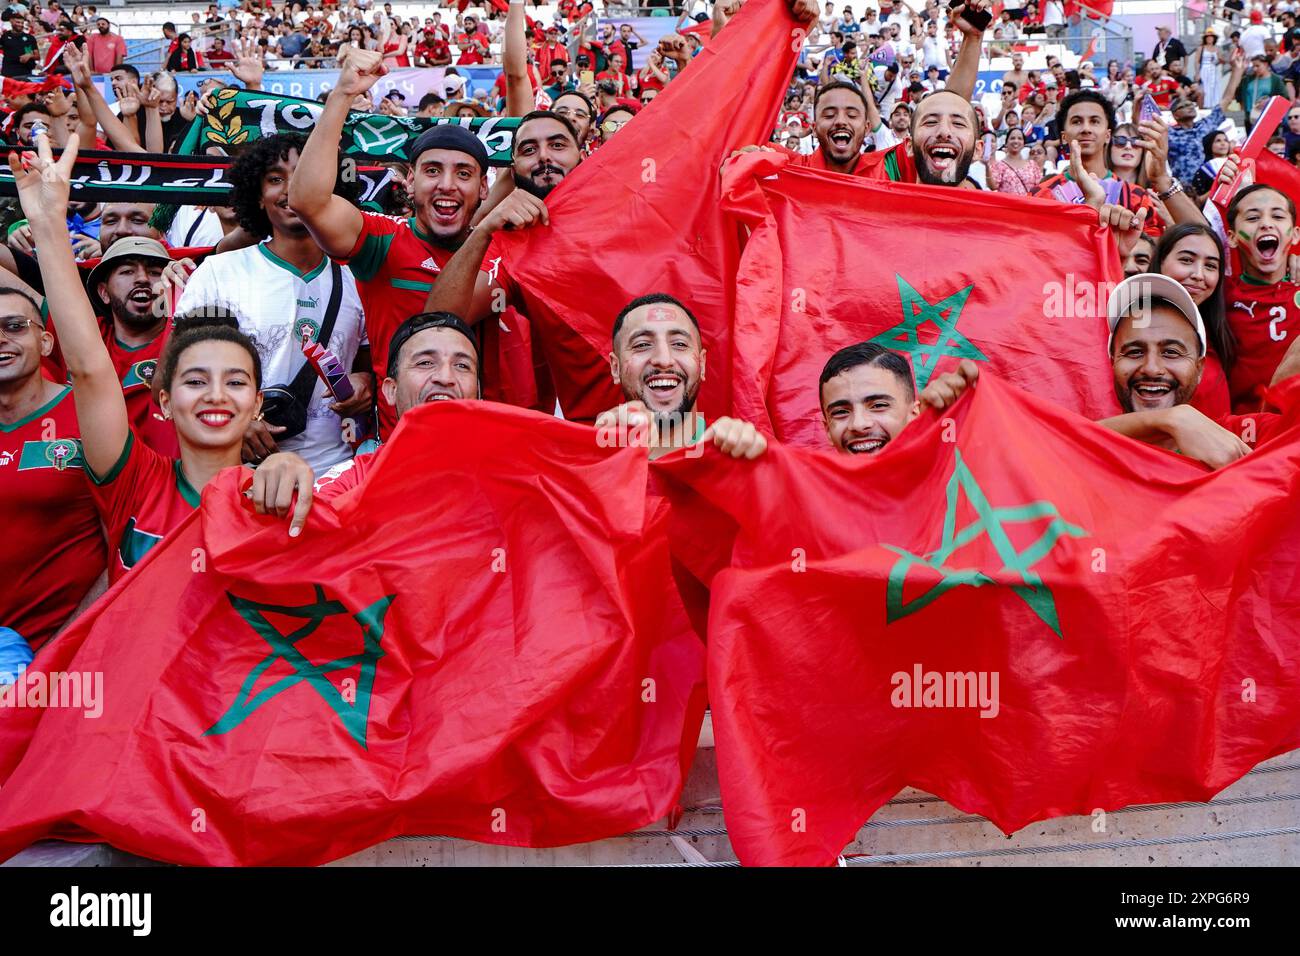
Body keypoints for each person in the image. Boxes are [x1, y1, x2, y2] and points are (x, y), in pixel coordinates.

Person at [11, 131, 316, 581]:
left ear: (256, 404)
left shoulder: (282, 492)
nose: (215, 394)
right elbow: (90, 370)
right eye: (194, 380)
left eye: (235, 381)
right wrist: (49, 224)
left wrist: (291, 467)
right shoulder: (134, 483)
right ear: (165, 400)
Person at [288, 46, 497, 437]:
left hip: (491, 448)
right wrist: (343, 96)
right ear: (410, 182)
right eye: (432, 171)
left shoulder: (503, 246)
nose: (447, 184)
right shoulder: (384, 238)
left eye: (464, 173)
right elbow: (307, 201)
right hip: (400, 446)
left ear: (484, 187)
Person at [176, 134, 371, 474]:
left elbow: (372, 363)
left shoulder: (360, 278)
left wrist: (365, 384)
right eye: (275, 179)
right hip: (236, 473)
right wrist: (234, 421)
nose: (290, 190)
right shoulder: (220, 273)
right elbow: (179, 369)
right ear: (258, 195)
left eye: (303, 175)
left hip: (337, 475)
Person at [0, 280, 106, 651]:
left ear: (46, 342)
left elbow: (128, 543)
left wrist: (64, 647)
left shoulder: (91, 418)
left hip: (66, 653)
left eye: (14, 327)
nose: (1, 339)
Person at [312, 311, 485, 495]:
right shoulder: (352, 485)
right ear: (391, 390)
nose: (445, 377)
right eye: (425, 363)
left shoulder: (512, 479)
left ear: (479, 395)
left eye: (462, 365)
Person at [592, 293, 767, 460]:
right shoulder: (590, 464)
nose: (663, 359)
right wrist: (598, 461)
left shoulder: (740, 451)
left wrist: (748, 467)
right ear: (615, 368)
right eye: (642, 344)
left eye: (679, 344)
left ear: (702, 364)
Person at [1222, 183, 1300, 411]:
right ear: (1232, 237)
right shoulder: (1219, 294)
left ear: (1295, 235)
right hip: (1243, 434)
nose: (1266, 223)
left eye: (1277, 215)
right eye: (1253, 218)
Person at [1151, 222, 1234, 419]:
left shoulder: (1219, 331)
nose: (1198, 275)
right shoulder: (1129, 324)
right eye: (1187, 260)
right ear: (1161, 261)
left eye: (1210, 266)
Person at [1167, 49, 1243, 186]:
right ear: (1175, 115)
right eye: (1183, 106)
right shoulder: (1168, 133)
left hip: (1208, 187)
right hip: (1181, 190)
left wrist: (1236, 71)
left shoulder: (1204, 126)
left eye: (1191, 104)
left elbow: (1226, 100)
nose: (1190, 106)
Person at [987, 126, 1040, 193]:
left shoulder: (1032, 165)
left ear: (1024, 143)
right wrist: (986, 166)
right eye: (1012, 138)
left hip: (1029, 203)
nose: (1016, 141)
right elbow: (993, 187)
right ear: (1006, 143)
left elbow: (1039, 188)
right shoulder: (999, 165)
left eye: (1020, 138)